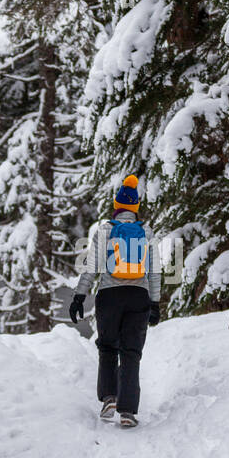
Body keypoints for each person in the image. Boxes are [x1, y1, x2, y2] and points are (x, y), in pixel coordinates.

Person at [69, 175, 161, 428]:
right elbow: (155, 270)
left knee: (108, 346)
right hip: (138, 296)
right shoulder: (146, 232)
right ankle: (128, 411)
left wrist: (79, 296)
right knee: (131, 351)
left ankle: (109, 398)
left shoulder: (105, 230)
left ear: (116, 205)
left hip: (109, 296)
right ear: (135, 209)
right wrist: (155, 302)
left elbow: (92, 267)